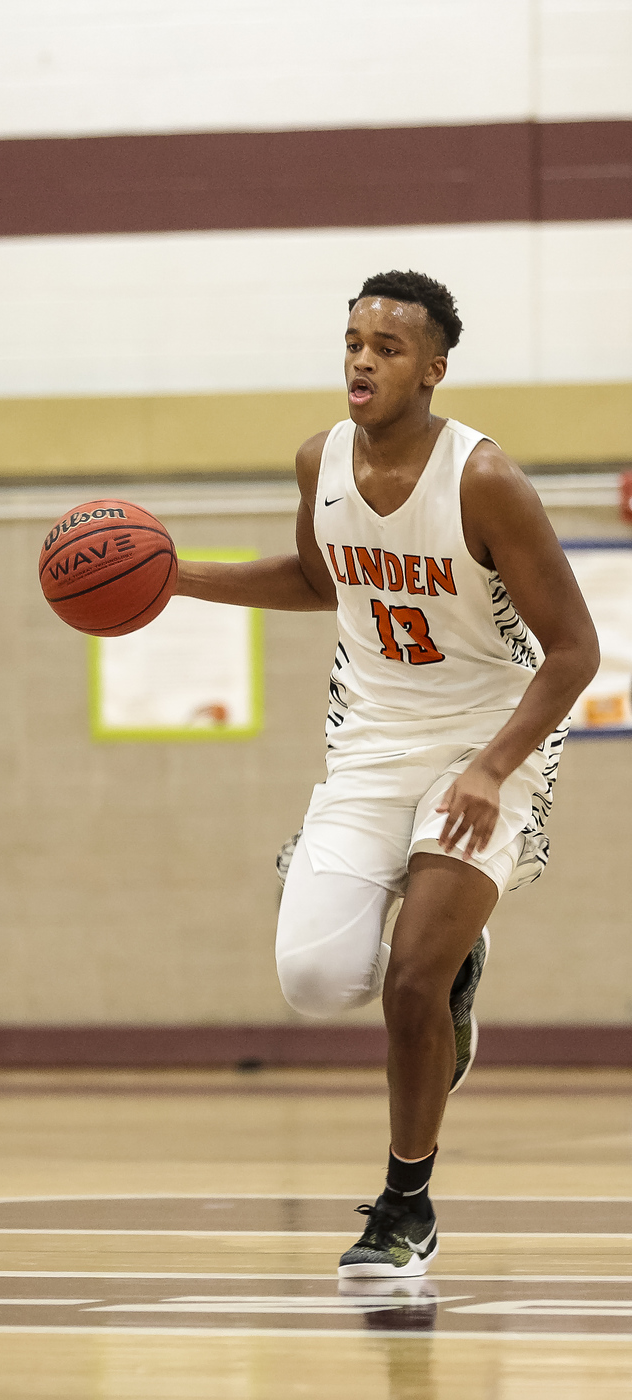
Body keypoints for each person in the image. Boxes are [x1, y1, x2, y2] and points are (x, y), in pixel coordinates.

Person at [173, 269, 598, 1278]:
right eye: (354, 341)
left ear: (434, 370)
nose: (363, 359)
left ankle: (405, 1204)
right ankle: (452, 967)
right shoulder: (316, 458)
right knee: (317, 981)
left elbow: (574, 648)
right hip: (370, 735)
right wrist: (175, 577)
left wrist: (494, 766)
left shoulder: (484, 480)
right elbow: (318, 581)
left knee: (411, 975)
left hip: (489, 734)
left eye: (389, 346)